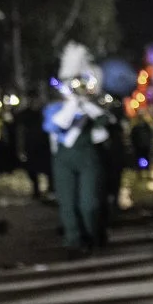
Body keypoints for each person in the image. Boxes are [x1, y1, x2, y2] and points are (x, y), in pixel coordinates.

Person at [43, 63, 114, 256]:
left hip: (88, 157)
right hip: (63, 159)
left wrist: (85, 102)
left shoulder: (91, 106)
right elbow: (56, 125)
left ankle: (92, 236)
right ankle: (74, 241)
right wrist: (73, 102)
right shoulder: (54, 108)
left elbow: (105, 121)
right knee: (68, 203)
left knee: (89, 203)